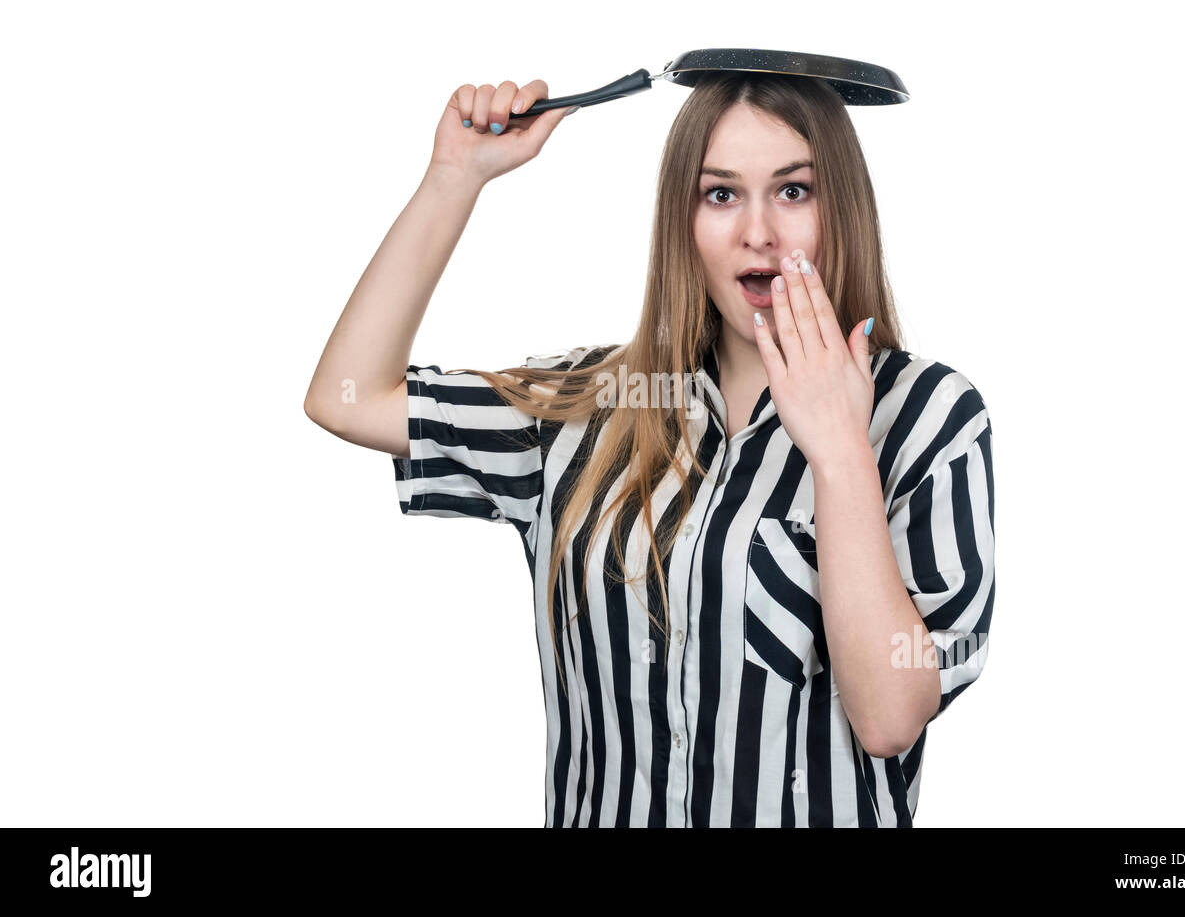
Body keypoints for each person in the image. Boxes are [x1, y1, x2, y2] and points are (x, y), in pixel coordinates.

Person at [304, 70, 995, 827]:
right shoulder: (591, 407)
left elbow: (891, 718)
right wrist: (452, 179)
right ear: (683, 219)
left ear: (844, 209)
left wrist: (838, 452)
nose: (758, 232)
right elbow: (349, 397)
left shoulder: (929, 418)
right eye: (721, 194)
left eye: (794, 191)